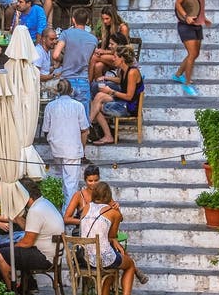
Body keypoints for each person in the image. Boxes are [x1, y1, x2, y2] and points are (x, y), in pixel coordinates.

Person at [80, 181, 144, 295]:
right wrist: (116, 209)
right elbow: (112, 235)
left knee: (113, 258)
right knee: (129, 264)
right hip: (102, 258)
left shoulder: (86, 208)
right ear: (109, 196)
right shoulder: (114, 213)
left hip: (85, 258)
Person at [0, 178, 64, 290]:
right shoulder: (44, 203)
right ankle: (27, 286)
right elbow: (30, 229)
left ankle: (13, 291)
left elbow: (27, 242)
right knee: (9, 249)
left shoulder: (35, 211)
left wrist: (13, 248)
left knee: (1, 254)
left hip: (45, 257)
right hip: (52, 254)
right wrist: (17, 217)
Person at [42, 79, 90, 210]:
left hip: (56, 148)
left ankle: (61, 211)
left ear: (57, 90)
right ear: (71, 91)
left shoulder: (50, 106)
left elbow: (45, 130)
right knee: (70, 184)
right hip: (73, 149)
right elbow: (84, 129)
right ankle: (67, 215)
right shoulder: (78, 106)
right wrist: (82, 148)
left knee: (63, 180)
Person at [172, 0, 211, 97]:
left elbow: (196, 4)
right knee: (192, 54)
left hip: (197, 24)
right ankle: (187, 84)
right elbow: (178, 3)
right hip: (185, 25)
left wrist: (203, 18)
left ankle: (177, 75)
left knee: (195, 54)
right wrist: (186, 16)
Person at [89, 45, 144, 144]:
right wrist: (106, 78)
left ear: (122, 58)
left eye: (115, 56)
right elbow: (120, 80)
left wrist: (111, 91)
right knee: (98, 96)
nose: (113, 59)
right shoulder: (124, 70)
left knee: (96, 105)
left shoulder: (132, 72)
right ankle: (99, 131)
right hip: (124, 102)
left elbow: (129, 96)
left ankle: (87, 127)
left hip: (129, 107)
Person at [52, 7, 98, 115]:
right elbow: (91, 60)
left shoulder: (66, 34)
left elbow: (55, 55)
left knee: (64, 115)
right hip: (83, 80)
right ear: (87, 21)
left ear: (73, 20)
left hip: (67, 80)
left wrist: (63, 60)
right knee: (82, 118)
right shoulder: (93, 39)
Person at [89, 5, 130, 80]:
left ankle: (88, 85)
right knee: (98, 66)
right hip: (109, 57)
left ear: (113, 17)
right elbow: (104, 46)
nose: (105, 21)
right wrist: (100, 51)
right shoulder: (106, 27)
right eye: (103, 19)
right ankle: (99, 88)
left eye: (107, 18)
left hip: (120, 57)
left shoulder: (122, 27)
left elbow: (122, 49)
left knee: (94, 57)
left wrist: (104, 52)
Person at [63, 165, 103, 231]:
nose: (93, 183)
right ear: (85, 180)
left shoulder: (103, 193)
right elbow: (66, 219)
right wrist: (85, 221)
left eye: (96, 180)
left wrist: (115, 207)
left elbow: (119, 217)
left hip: (100, 231)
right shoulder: (78, 195)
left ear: (99, 179)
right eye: (90, 181)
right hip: (82, 232)